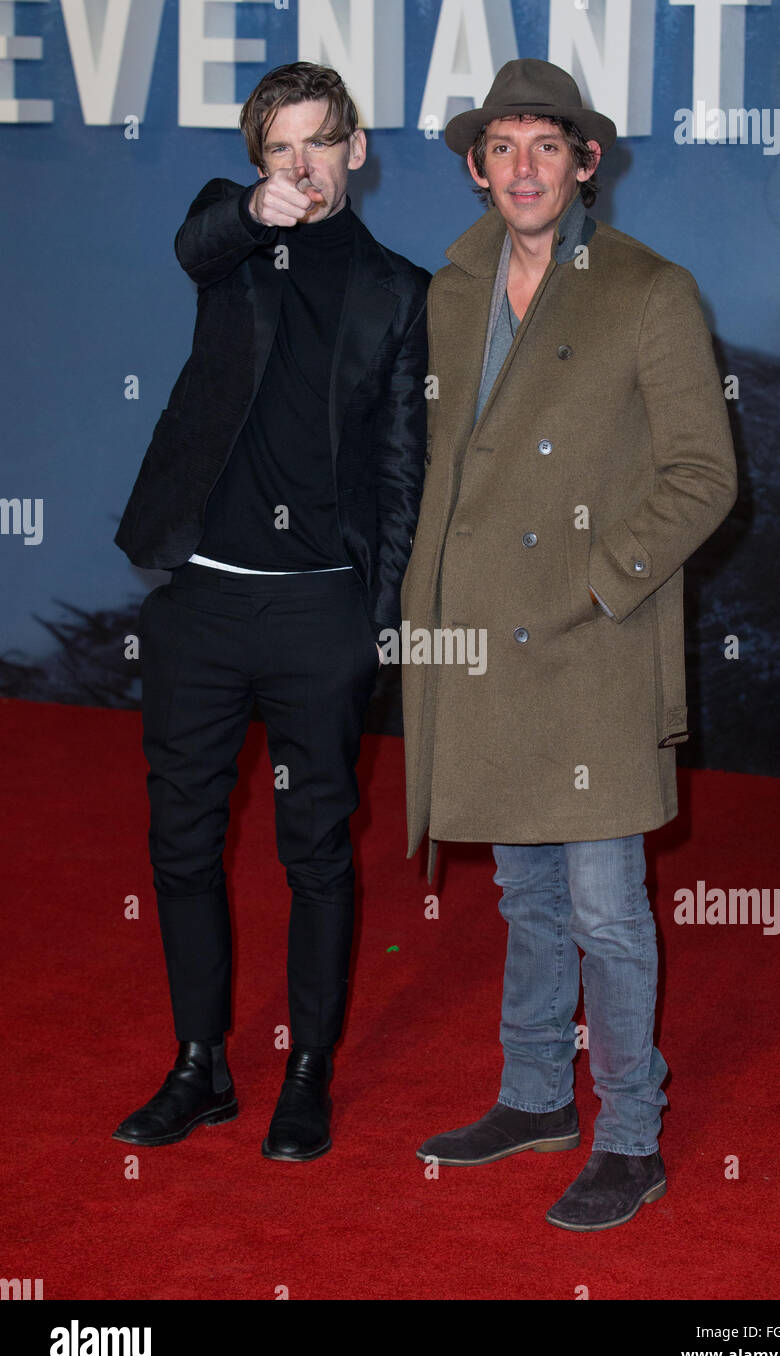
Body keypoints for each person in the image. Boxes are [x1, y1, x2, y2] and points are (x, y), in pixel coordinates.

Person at [401, 58, 737, 1229]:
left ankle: (632, 1136)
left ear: (584, 163)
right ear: (477, 167)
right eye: (502, 148)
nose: (523, 168)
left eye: (547, 146)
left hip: (592, 638)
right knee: (527, 895)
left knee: (603, 907)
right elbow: (445, 467)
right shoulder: (449, 289)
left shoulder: (648, 289)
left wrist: (601, 583)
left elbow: (703, 473)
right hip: (484, 640)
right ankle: (536, 1095)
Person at [113, 62, 429, 1161]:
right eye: (277, 149)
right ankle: (199, 1066)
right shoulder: (232, 246)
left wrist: (370, 616)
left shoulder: (398, 290)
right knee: (180, 845)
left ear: (355, 148)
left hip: (316, 617)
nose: (300, 166)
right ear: (259, 162)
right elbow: (194, 238)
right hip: (200, 600)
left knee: (317, 852)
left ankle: (307, 1071)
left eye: (317, 142)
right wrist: (251, 211)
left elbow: (402, 473)